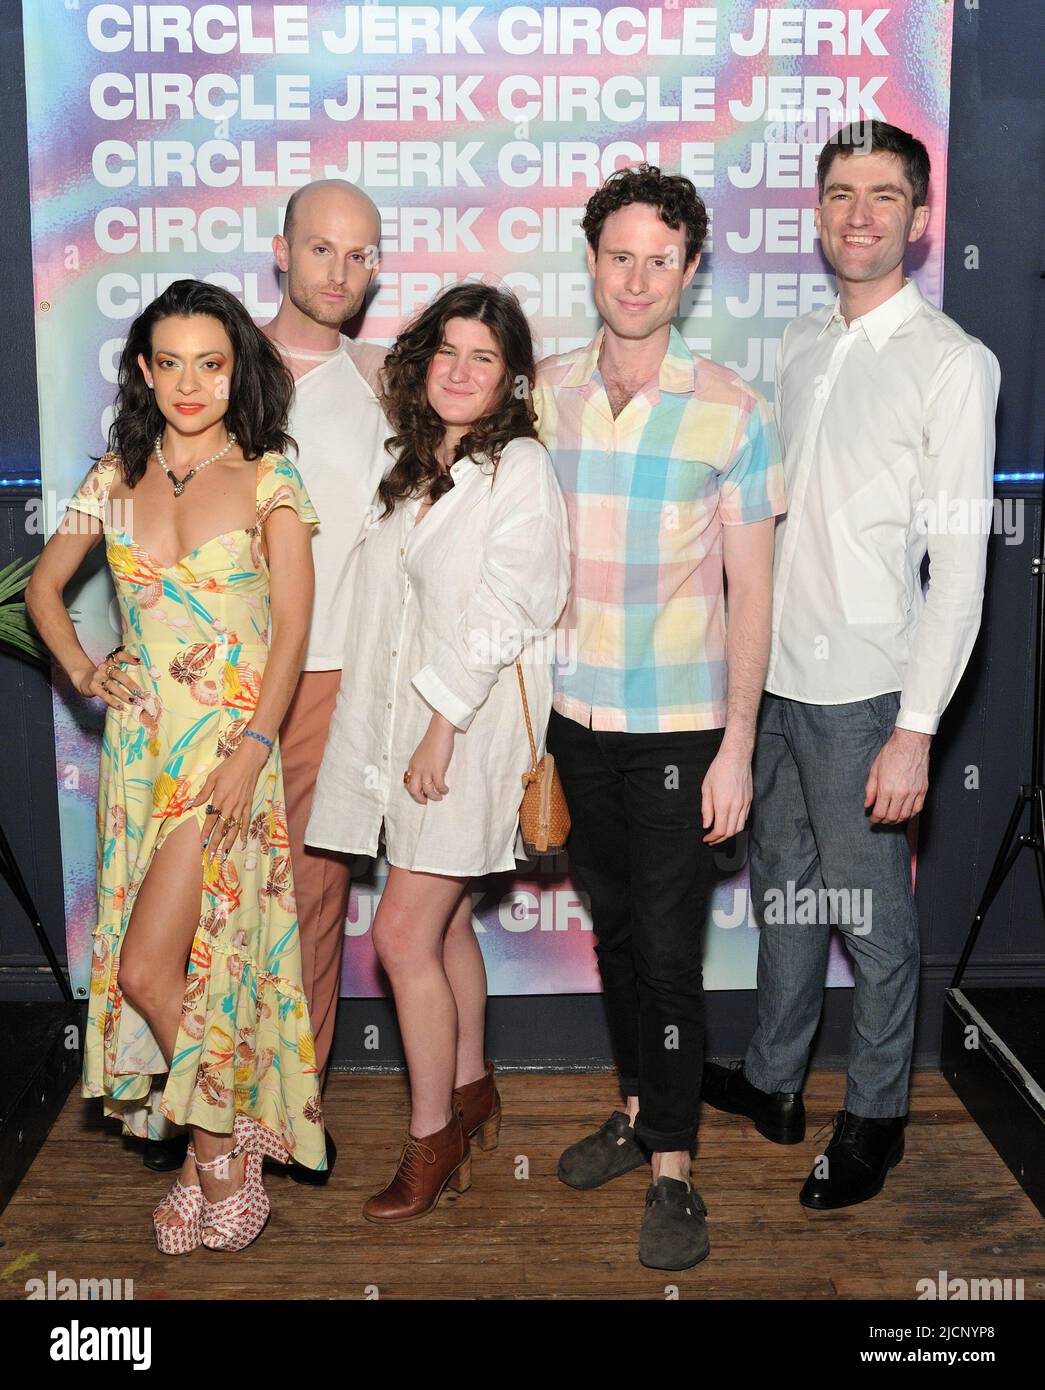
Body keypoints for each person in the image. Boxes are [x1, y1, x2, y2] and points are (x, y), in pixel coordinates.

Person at [702, 121, 1001, 1211]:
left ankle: (876, 1113)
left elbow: (959, 567)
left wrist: (916, 726)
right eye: (839, 193)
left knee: (871, 924)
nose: (858, 213)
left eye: (883, 195)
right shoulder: (798, 342)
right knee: (783, 894)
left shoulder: (954, 365)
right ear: (817, 213)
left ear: (918, 222)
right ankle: (777, 1081)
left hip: (868, 691)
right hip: (767, 681)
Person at [26, 278, 326, 1254]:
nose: (190, 382)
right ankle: (225, 1137)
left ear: (235, 367)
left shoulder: (271, 475)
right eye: (170, 362)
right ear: (145, 370)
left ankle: (220, 1159)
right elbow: (41, 589)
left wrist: (252, 746)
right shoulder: (116, 473)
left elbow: (290, 637)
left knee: (159, 967)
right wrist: (82, 667)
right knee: (155, 970)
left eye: (210, 361)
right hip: (139, 760)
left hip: (225, 758)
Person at [534, 165, 785, 1271]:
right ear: (592, 261)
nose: (636, 279)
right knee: (618, 933)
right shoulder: (539, 393)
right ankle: (637, 1109)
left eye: (660, 259)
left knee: (673, 954)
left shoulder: (733, 407)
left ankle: (675, 1166)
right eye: (618, 255)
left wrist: (737, 745)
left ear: (690, 271)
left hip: (684, 729)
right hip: (572, 723)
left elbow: (754, 592)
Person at [305, 282, 570, 1222]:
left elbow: (515, 604)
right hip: (394, 732)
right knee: (448, 920)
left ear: (511, 380)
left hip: (462, 734)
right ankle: (472, 1087)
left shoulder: (521, 468)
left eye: (483, 358)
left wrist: (440, 723)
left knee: (402, 933)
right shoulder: (414, 463)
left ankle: (431, 1140)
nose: (460, 371)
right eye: (446, 351)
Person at [259, 179, 391, 1184]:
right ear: (281, 251)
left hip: (341, 675)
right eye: (321, 250)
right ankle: (201, 1101)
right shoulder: (214, 368)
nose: (339, 272)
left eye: (359, 255)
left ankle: (292, 1109)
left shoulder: (387, 379)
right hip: (222, 678)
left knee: (311, 895)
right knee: (212, 893)